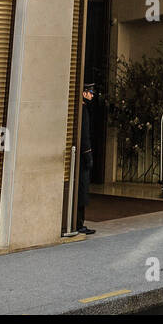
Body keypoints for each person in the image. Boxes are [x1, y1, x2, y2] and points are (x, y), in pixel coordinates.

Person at [76, 84, 98, 235]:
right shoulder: (82, 110)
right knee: (82, 190)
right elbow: (84, 136)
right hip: (82, 156)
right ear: (84, 93)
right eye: (90, 92)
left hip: (81, 155)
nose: (92, 95)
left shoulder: (82, 109)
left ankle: (78, 222)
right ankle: (78, 223)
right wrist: (88, 155)